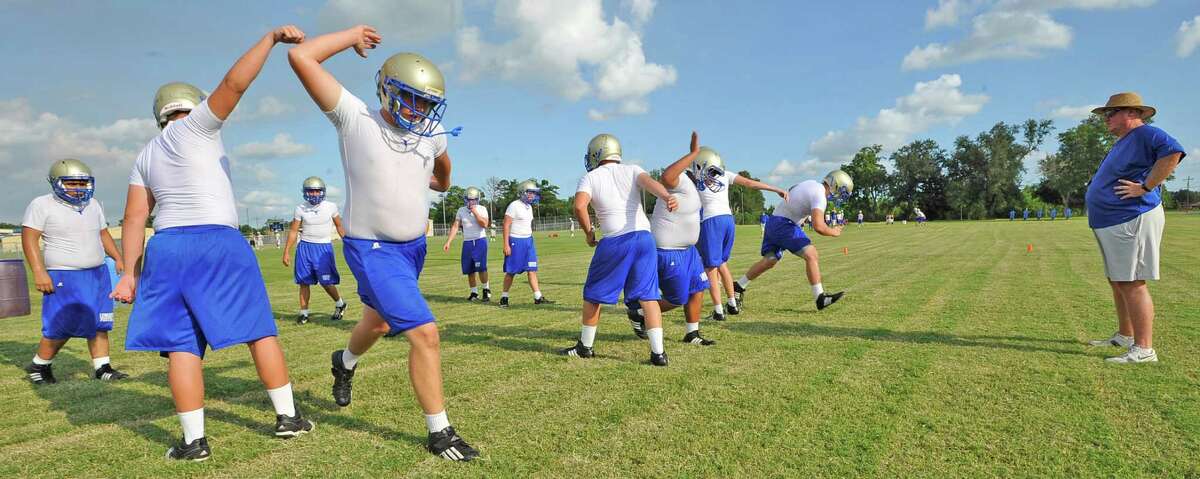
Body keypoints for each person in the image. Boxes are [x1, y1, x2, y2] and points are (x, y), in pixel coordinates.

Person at [114, 26, 314, 462]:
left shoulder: (145, 154)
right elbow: (235, 83)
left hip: (166, 247)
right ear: (192, 104)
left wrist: (128, 272)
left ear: (160, 114)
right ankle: (287, 419)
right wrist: (269, 39)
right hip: (216, 241)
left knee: (181, 347)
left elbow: (134, 217)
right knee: (258, 330)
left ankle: (193, 443)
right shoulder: (199, 127)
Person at [289, 24, 478, 460]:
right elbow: (301, 58)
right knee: (425, 333)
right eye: (410, 97)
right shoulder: (355, 118)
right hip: (371, 248)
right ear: (387, 90)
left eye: (427, 102)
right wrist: (352, 34)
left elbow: (444, 169)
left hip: (413, 250)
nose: (418, 109)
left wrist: (442, 181)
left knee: (378, 322)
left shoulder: (432, 134)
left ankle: (344, 362)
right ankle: (440, 432)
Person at [1084, 92, 1185, 364]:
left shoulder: (1146, 134)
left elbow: (1173, 151)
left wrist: (1146, 187)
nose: (1106, 119)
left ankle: (1143, 349)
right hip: (1114, 220)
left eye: (1111, 113)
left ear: (1132, 113)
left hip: (1132, 216)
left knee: (1131, 281)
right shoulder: (1124, 141)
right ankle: (1125, 336)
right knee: (1118, 279)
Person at [561, 133, 678, 366]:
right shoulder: (633, 169)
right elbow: (651, 184)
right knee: (648, 296)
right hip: (644, 238)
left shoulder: (590, 177)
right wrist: (667, 196)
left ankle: (585, 347)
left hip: (615, 239)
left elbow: (579, 206)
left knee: (593, 295)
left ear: (596, 154)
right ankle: (658, 354)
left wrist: (589, 232)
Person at [22, 159, 128, 384]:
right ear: (56, 182)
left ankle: (103, 367)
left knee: (100, 321)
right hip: (64, 274)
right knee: (62, 324)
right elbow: (29, 238)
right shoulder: (42, 204)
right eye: (71, 183)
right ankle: (39, 365)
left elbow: (103, 234)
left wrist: (118, 257)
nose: (78, 188)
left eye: (82, 183)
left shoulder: (93, 205)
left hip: (96, 273)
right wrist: (39, 271)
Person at [628, 133, 719, 346]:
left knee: (697, 289)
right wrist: (693, 153)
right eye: (711, 172)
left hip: (689, 251)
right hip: (668, 250)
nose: (713, 178)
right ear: (698, 167)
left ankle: (692, 333)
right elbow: (667, 177)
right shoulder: (682, 181)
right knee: (678, 298)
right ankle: (639, 310)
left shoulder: (695, 187)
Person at [734, 170, 852, 311]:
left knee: (770, 259)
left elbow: (792, 191)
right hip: (784, 223)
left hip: (774, 221)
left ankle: (739, 286)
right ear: (835, 185)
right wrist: (835, 232)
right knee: (811, 254)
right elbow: (819, 226)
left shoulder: (811, 183)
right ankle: (820, 297)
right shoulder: (820, 195)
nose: (840, 196)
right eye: (842, 192)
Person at [693, 152, 788, 321]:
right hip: (728, 220)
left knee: (710, 269)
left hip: (711, 221)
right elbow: (750, 184)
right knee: (722, 263)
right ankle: (732, 304)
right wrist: (776, 189)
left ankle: (718, 311)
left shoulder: (696, 179)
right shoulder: (726, 175)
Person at [282, 176, 348, 325]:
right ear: (305, 192)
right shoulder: (300, 208)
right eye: (310, 191)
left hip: (323, 247)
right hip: (305, 247)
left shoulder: (331, 206)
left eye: (317, 191)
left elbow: (339, 226)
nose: (314, 194)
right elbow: (293, 231)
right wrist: (286, 251)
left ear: (322, 192)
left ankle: (340, 303)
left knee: (326, 281)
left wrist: (348, 242)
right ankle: (304, 313)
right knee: (304, 282)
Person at [499, 180, 554, 307]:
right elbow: (506, 225)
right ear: (523, 192)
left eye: (534, 193)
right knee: (511, 271)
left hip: (528, 240)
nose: (533, 195)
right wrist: (506, 244)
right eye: (530, 192)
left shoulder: (529, 207)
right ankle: (504, 297)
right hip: (515, 241)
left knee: (532, 269)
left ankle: (538, 297)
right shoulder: (514, 205)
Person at [443, 187, 491, 301]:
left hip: (480, 241)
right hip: (467, 242)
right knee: (469, 269)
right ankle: (474, 292)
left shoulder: (482, 209)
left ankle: (486, 290)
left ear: (478, 199)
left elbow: (484, 224)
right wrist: (448, 241)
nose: (471, 202)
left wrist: (475, 212)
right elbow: (456, 226)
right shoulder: (461, 210)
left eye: (473, 200)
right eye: (469, 200)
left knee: (481, 268)